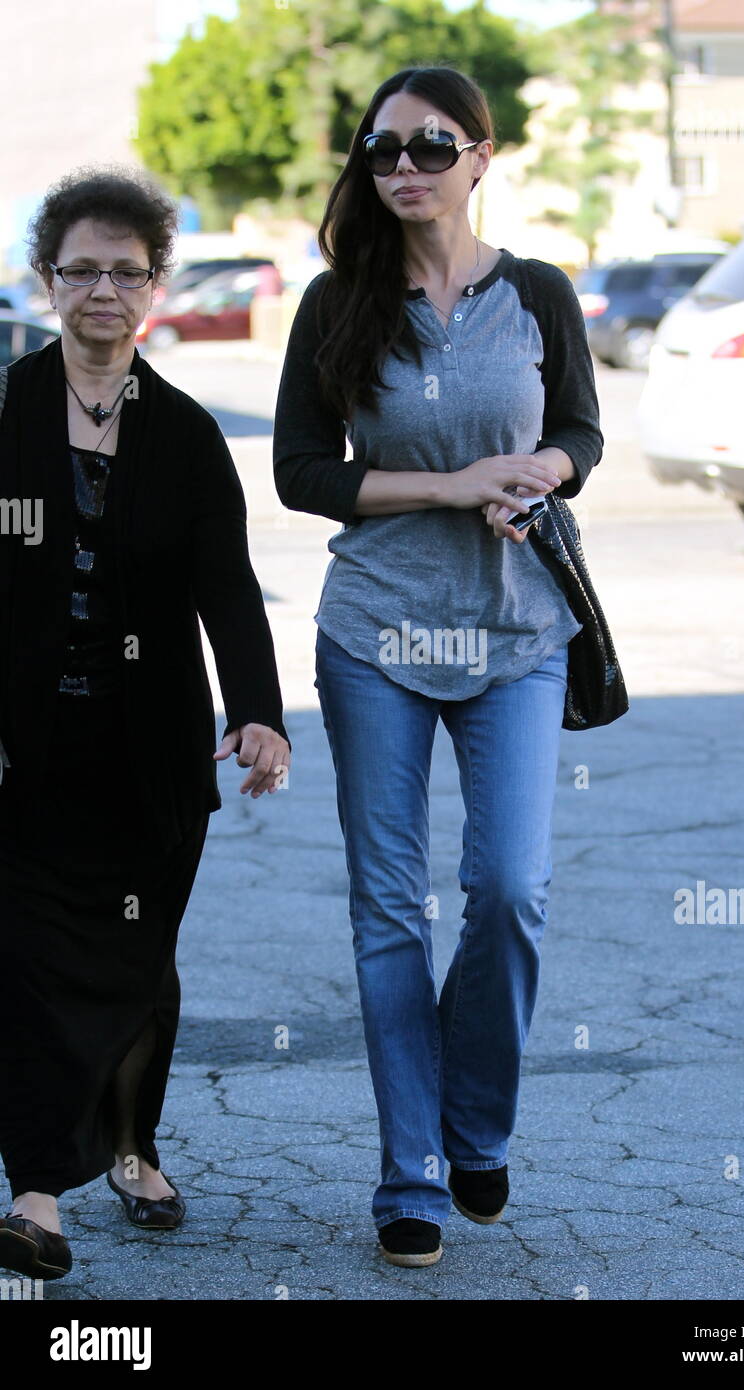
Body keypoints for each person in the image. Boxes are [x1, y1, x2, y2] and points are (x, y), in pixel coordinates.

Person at [273, 67, 603, 1267]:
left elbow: (580, 428)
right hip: (376, 633)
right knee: (386, 908)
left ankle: (476, 1129)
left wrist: (546, 473)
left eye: (430, 144)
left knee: (511, 887)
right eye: (381, 149)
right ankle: (410, 1173)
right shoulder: (335, 303)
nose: (404, 166)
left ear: (481, 155)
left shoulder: (540, 295)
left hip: (516, 630)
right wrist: (452, 485)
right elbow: (302, 471)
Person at [0, 167, 290, 1282]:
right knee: (29, 965)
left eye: (127, 270)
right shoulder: (6, 412)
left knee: (134, 959)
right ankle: (37, 1193)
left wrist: (260, 713)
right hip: (26, 755)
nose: (104, 289)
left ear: (157, 285)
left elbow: (228, 583)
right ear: (48, 282)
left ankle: (130, 1146)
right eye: (84, 269)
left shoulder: (184, 436)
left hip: (155, 756)